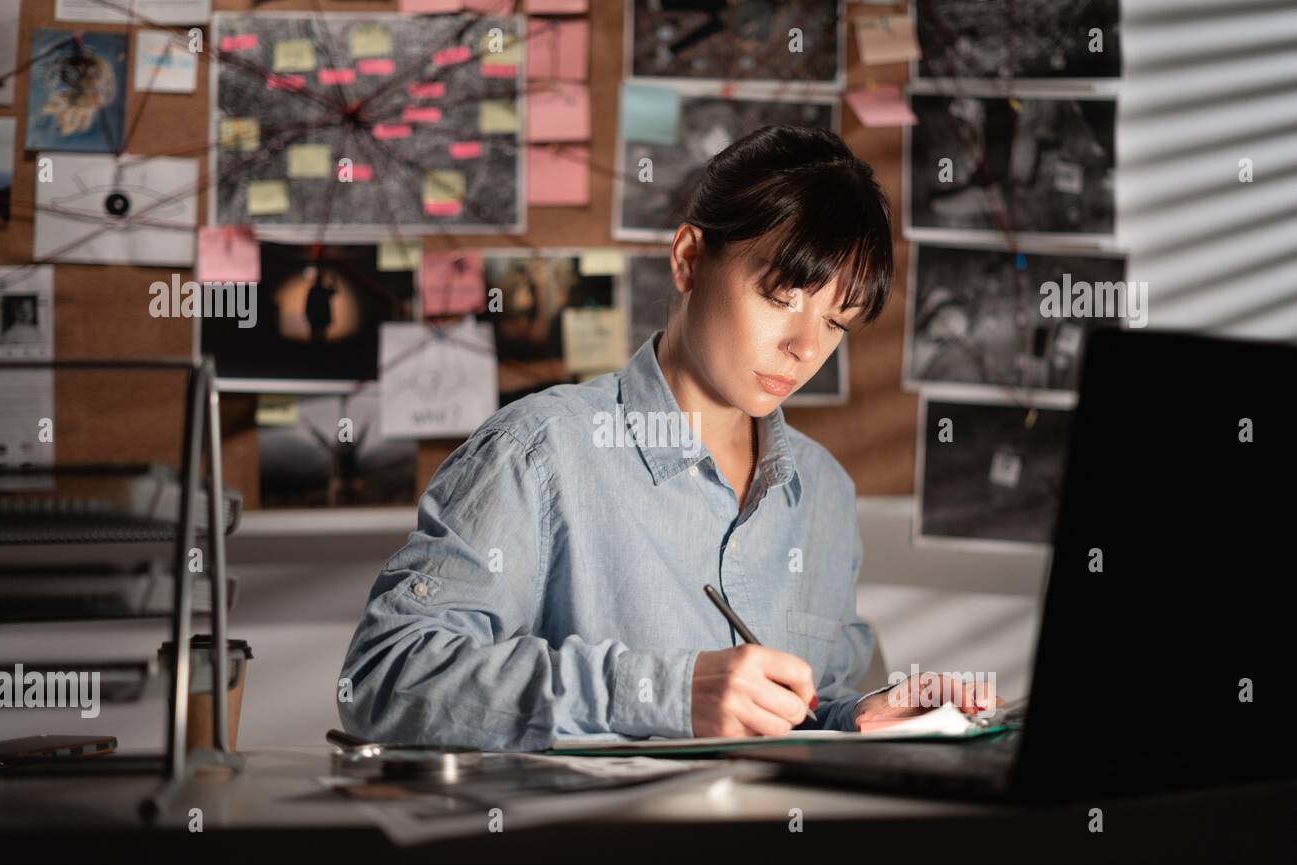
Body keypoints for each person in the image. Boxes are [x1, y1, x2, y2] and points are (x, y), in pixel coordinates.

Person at [339, 125, 1002, 750]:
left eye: (836, 324)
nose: (805, 348)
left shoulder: (822, 490)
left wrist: (857, 716)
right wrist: (661, 691)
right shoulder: (540, 454)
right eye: (781, 298)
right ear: (688, 259)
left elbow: (802, 707)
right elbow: (384, 679)